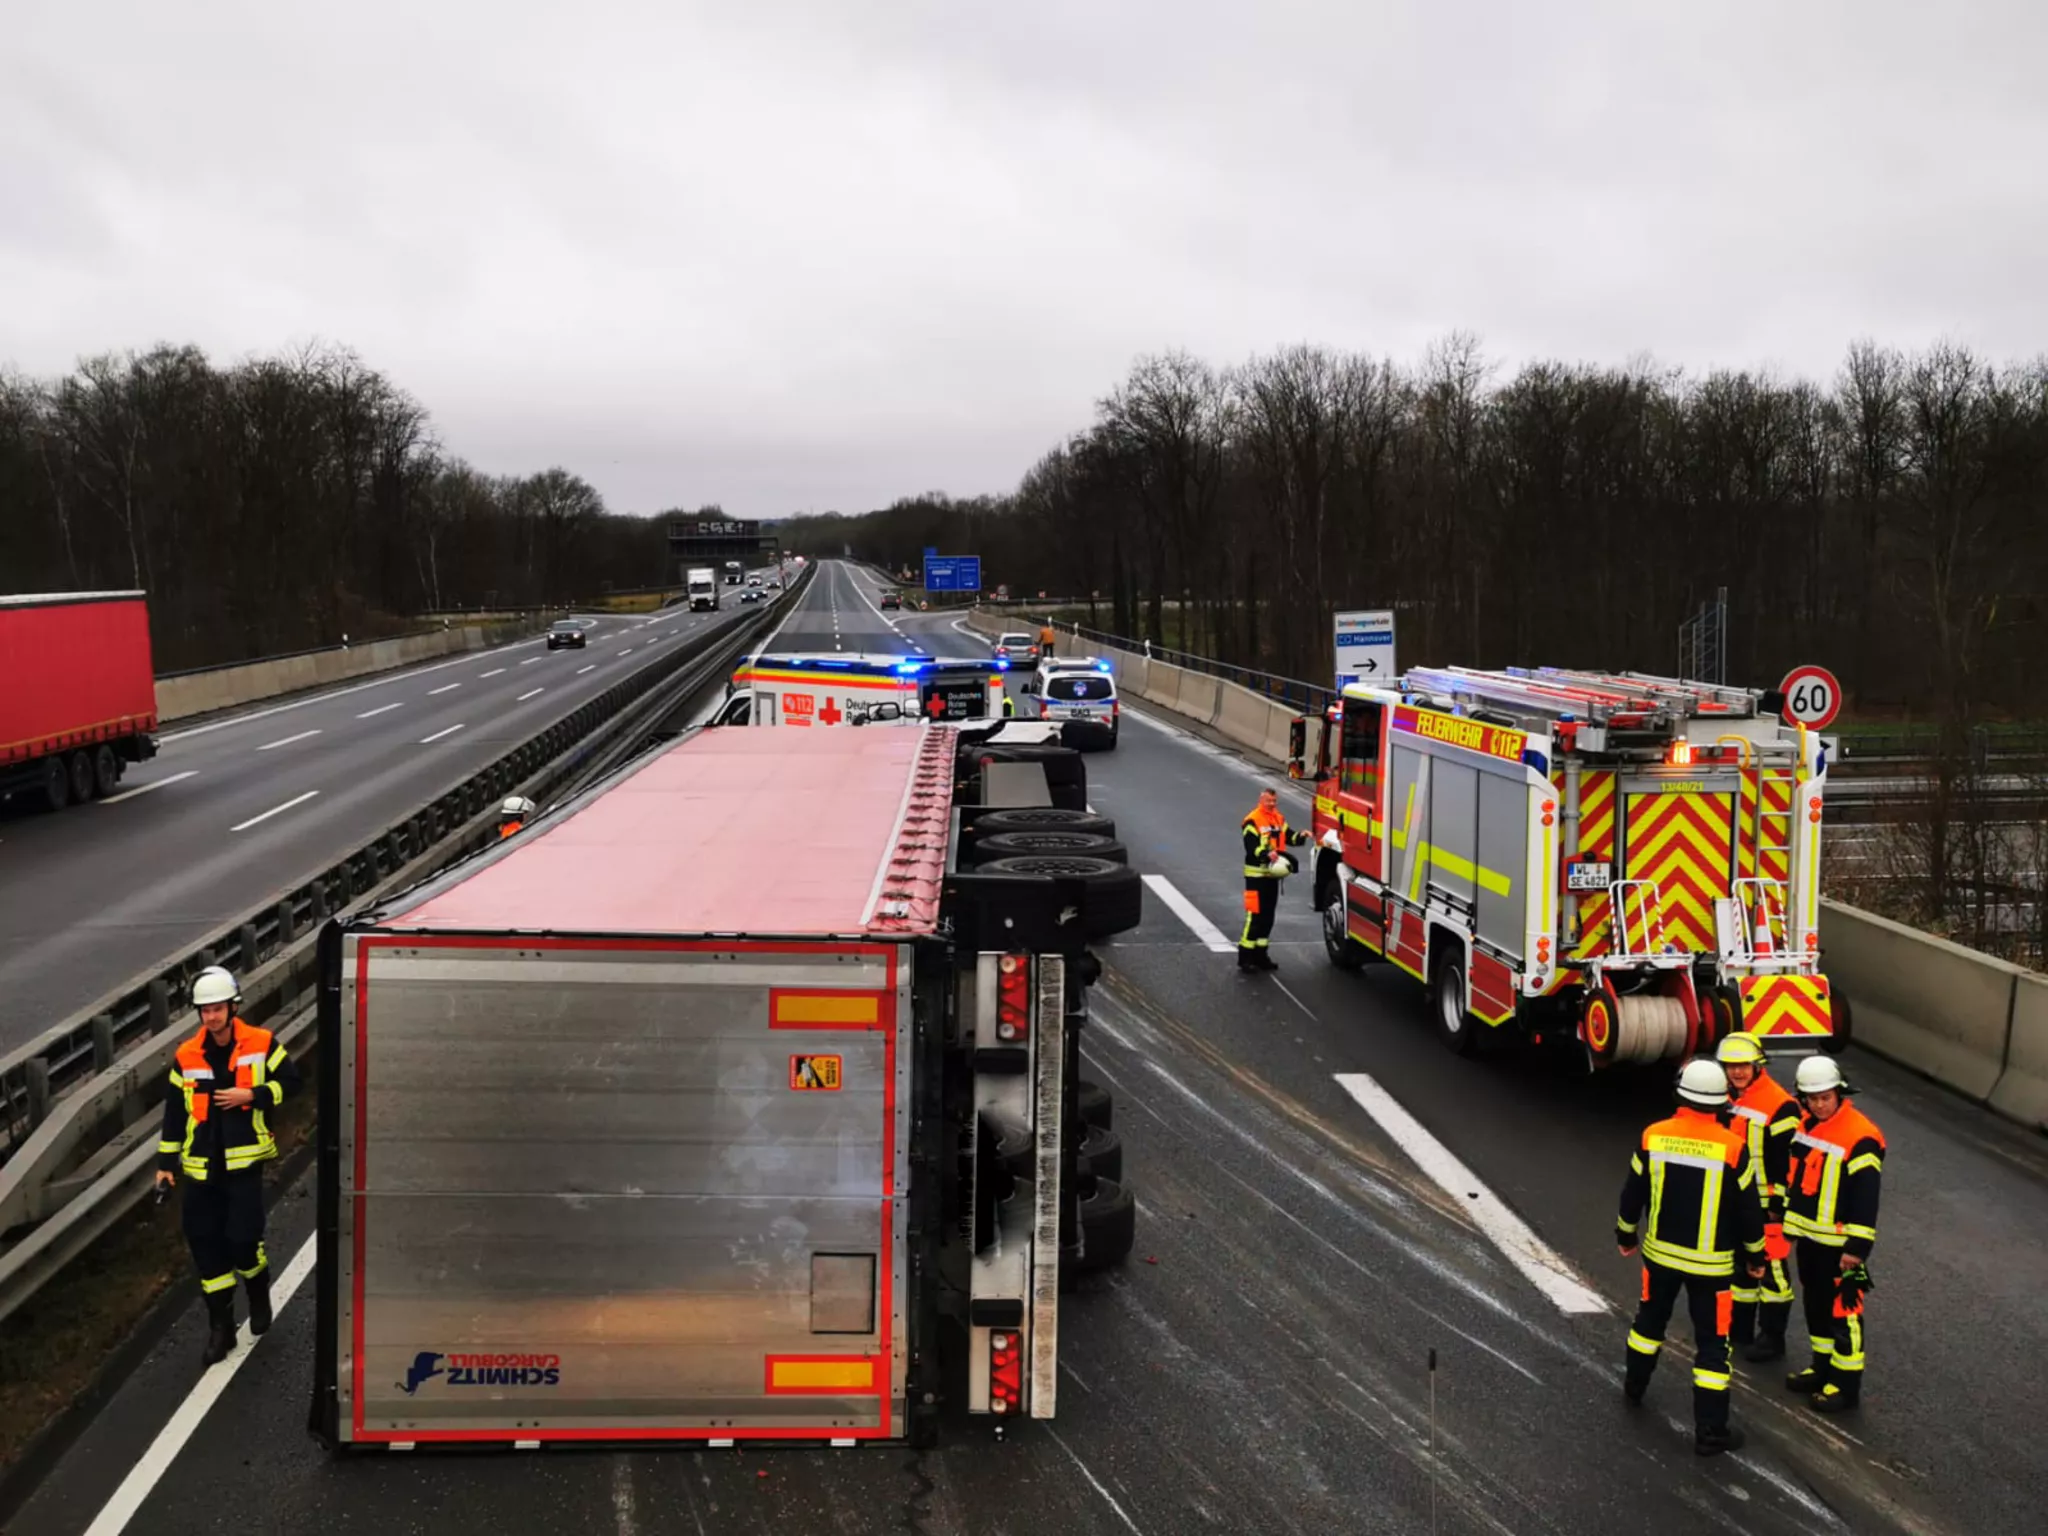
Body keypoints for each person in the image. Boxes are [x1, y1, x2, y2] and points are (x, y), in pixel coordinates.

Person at [1616, 1058, 1767, 1456]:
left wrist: (1626, 1232)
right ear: (1721, 1102)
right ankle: (1711, 1430)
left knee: (1648, 1324)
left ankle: (1634, 1387)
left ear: (1680, 1094)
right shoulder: (1733, 1148)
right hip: (1713, 1268)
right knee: (1713, 1345)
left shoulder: (1654, 1136)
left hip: (1660, 1257)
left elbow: (1633, 1193)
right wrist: (1755, 1255)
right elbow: (1749, 1211)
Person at [155, 967, 301, 1366]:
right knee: (206, 1248)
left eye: (217, 1009)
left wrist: (250, 1095)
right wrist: (166, 1163)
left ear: (233, 1006)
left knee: (242, 1240)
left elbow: (291, 1082)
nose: (211, 1018)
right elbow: (174, 1114)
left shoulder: (262, 1043)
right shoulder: (187, 1055)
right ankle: (221, 1328)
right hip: (201, 1169)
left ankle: (257, 1290)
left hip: (243, 1166)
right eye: (204, 1011)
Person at [1784, 1055, 1885, 1412]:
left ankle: (1845, 1386)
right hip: (1812, 1240)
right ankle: (1822, 1368)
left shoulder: (1862, 1137)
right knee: (1815, 1307)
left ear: (1839, 1093)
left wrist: (1857, 1249)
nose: (1819, 1104)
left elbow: (1865, 1199)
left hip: (1843, 1248)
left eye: (1825, 1097)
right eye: (1812, 1098)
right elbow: (1798, 1180)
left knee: (1846, 1313)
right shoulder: (1807, 1127)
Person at [1718, 1032, 1801, 1361]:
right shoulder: (1724, 1097)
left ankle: (1772, 1337)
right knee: (1741, 1268)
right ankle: (1740, 1329)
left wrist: (1779, 1206)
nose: (1737, 1072)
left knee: (1773, 1272)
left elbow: (1786, 1162)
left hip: (1768, 1207)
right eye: (1731, 1066)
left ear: (1757, 1066)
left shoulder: (1780, 1105)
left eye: (1744, 1066)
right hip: (1736, 1202)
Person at [1239, 788, 1308, 973]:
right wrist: (1265, 855)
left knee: (1268, 917)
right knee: (1255, 917)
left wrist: (1301, 836)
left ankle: (1261, 956)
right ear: (1261, 800)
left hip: (1272, 877)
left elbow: (1289, 837)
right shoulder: (1252, 820)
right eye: (1269, 800)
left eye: (1274, 801)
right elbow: (1251, 848)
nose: (1272, 804)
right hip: (1255, 877)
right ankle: (1245, 957)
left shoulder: (1278, 818)